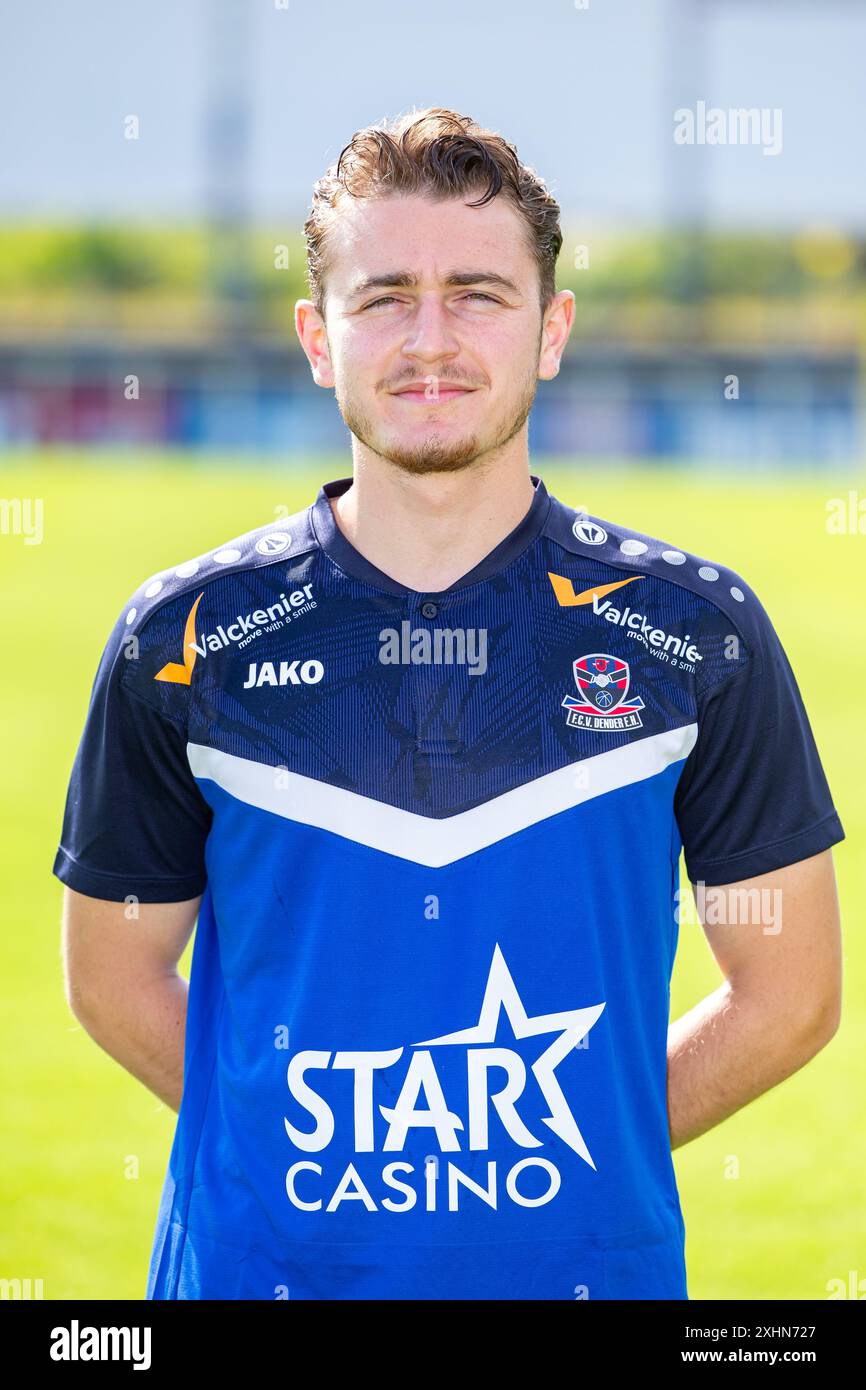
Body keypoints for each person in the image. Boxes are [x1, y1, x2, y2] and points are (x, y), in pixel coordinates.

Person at [54, 107, 844, 1301]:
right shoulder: (184, 640)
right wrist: (303, 1150)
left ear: (551, 330)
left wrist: (572, 1155)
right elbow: (111, 978)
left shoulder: (690, 634)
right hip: (259, 1274)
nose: (431, 339)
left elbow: (791, 994)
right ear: (318, 337)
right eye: (384, 298)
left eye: (477, 293)